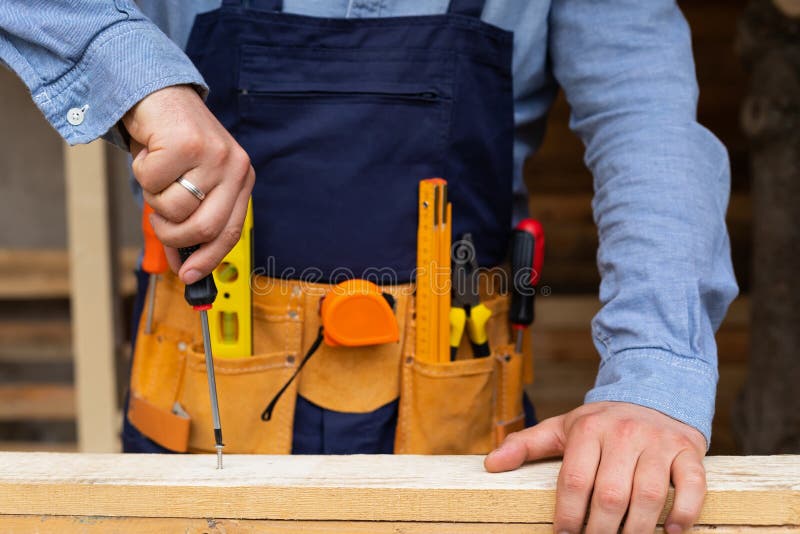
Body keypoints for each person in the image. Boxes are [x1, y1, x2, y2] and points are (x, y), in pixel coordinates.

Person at [0, 1, 738, 532]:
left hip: (464, 451)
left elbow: (649, 121)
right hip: (195, 441)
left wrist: (653, 372)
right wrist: (135, 74)